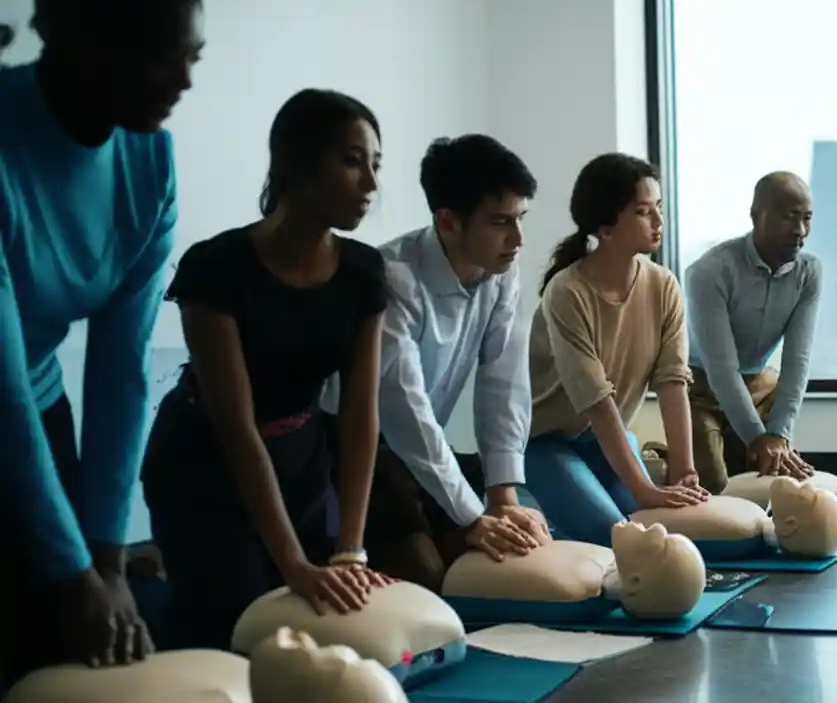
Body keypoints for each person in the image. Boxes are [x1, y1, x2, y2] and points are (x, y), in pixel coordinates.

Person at [0, 0, 204, 684]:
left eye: (193, 57)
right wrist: (72, 569)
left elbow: (120, 375)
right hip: (7, 404)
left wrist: (107, 558)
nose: (184, 79)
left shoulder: (151, 163)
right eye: (160, 57)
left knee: (64, 648)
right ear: (83, 47)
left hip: (36, 403)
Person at [140, 89, 392, 652]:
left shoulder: (363, 273)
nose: (371, 186)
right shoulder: (217, 268)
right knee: (243, 627)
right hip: (204, 464)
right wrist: (294, 563)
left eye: (376, 164)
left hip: (301, 459)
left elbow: (357, 412)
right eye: (352, 161)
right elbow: (236, 427)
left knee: (331, 611)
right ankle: (149, 592)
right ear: (295, 162)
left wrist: (350, 546)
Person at [319, 134, 549, 591]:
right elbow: (405, 412)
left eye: (521, 219)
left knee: (522, 528)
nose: (518, 239)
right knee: (426, 570)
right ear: (448, 222)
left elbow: (503, 385)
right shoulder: (392, 277)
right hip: (351, 449)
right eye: (501, 222)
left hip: (417, 448)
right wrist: (471, 516)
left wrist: (502, 495)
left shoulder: (501, 270)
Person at [524, 153, 709, 547]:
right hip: (543, 441)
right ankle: (546, 527)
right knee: (620, 537)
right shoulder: (567, 292)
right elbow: (597, 401)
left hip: (604, 437)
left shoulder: (664, 286)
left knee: (659, 530)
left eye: (658, 208)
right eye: (644, 212)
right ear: (606, 229)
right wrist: (644, 489)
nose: (659, 222)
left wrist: (684, 469)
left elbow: (673, 383)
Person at [684, 171, 820, 494]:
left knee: (776, 483)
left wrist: (779, 435)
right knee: (716, 490)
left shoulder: (810, 272)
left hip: (759, 384)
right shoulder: (709, 272)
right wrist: (758, 438)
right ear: (756, 216)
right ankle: (671, 460)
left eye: (807, 219)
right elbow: (721, 367)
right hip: (700, 389)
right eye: (789, 218)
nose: (800, 231)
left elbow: (797, 360)